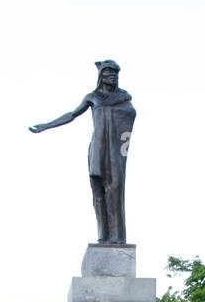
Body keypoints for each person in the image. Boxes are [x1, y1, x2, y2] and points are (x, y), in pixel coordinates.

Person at [29, 60, 136, 245]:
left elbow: (129, 116)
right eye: (109, 72)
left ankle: (118, 237)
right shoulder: (93, 97)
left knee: (116, 187)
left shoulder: (124, 98)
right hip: (98, 149)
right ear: (101, 75)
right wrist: (46, 125)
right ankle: (104, 235)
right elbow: (72, 114)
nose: (113, 76)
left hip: (116, 151)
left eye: (116, 73)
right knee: (99, 190)